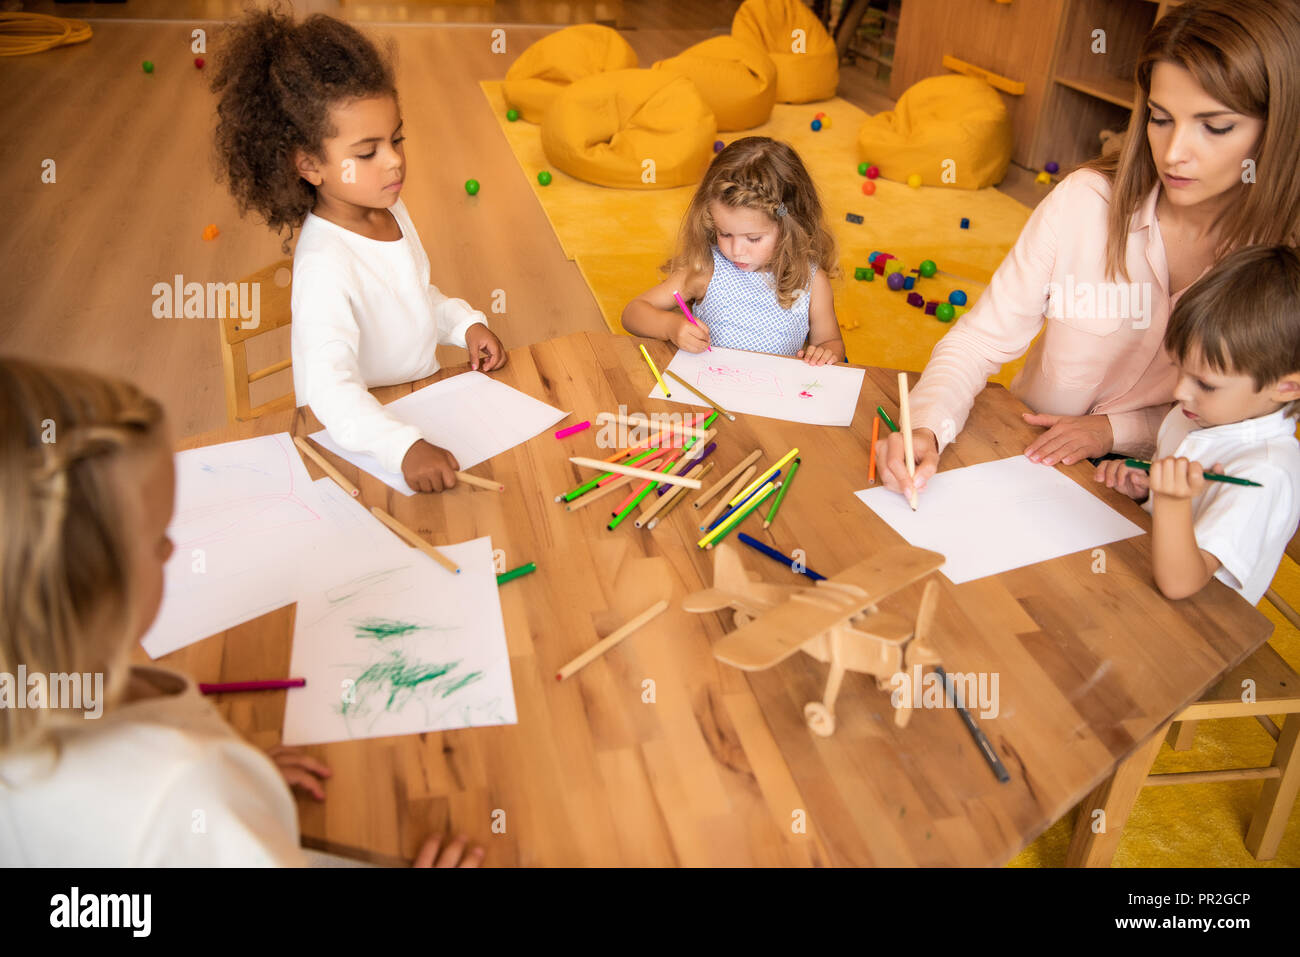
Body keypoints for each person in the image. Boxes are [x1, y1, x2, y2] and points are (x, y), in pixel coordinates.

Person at [0, 358, 485, 866]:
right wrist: (211, 798)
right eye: (157, 539)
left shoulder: (65, 695)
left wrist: (232, 793)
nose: (171, 551)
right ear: (84, 591)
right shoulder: (177, 793)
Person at [879, 0, 1300, 501]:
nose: (1174, 153)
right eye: (1161, 118)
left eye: (1216, 127)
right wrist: (925, 426)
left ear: (1276, 129)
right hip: (1024, 454)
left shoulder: (1283, 264)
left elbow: (1258, 412)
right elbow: (978, 342)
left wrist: (1112, 431)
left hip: (1167, 500)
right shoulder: (1085, 201)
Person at [210, 10, 506, 494]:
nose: (393, 160)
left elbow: (411, 293)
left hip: (414, 403)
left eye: (397, 139)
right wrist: (403, 447)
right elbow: (331, 392)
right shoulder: (324, 266)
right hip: (358, 445)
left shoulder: (386, 208)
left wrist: (463, 323)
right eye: (367, 152)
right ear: (309, 164)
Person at [1096, 245, 1300, 603]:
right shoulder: (1197, 413)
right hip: (1140, 576)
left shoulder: (1266, 473)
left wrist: (1172, 502)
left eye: (1205, 383)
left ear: (1288, 387)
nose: (1179, 391)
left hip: (1198, 630)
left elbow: (1182, 585)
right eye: (1178, 367)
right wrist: (1147, 491)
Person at [622, 136, 845, 365]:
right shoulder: (707, 268)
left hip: (773, 397)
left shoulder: (811, 282)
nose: (736, 250)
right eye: (724, 233)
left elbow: (830, 342)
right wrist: (670, 326)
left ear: (790, 226)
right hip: (705, 393)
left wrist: (826, 353)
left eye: (753, 238)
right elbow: (633, 313)